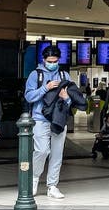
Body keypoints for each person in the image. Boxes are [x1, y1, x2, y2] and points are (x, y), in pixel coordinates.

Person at [24, 45, 73, 199]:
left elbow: (74, 98)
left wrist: (67, 98)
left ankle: (52, 186)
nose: (53, 63)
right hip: (40, 119)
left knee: (57, 153)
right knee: (42, 150)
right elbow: (29, 97)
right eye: (50, 61)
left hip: (59, 119)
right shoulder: (35, 75)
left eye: (55, 61)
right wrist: (45, 88)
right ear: (43, 60)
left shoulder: (65, 75)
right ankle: (33, 178)